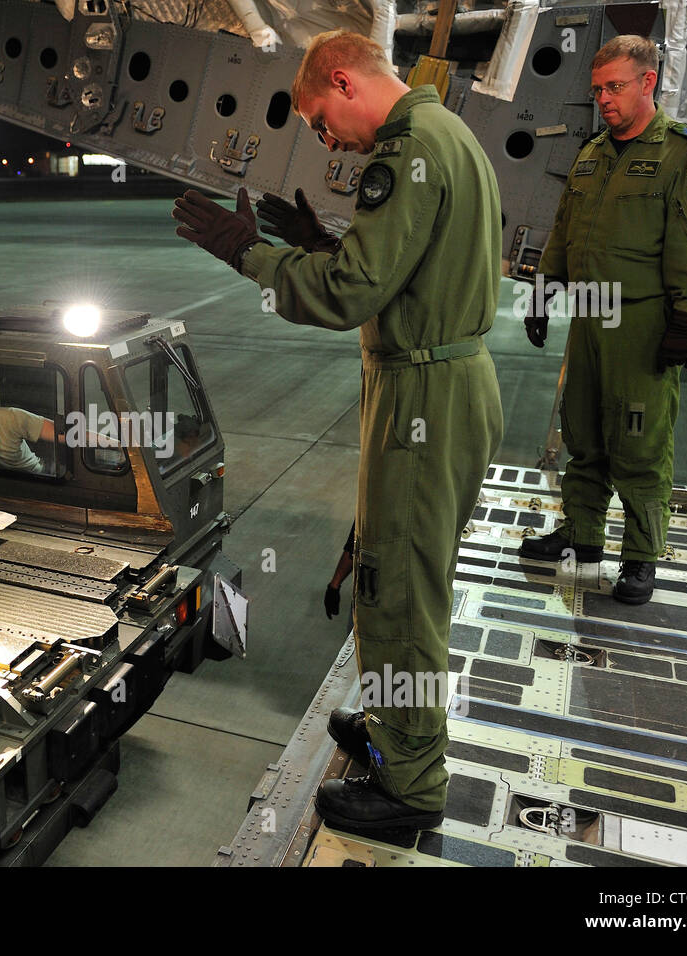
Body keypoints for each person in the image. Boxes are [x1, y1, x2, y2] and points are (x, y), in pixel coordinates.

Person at [172, 29, 504, 839]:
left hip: (424, 393)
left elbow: (353, 293)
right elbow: (411, 267)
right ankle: (400, 733)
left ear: (346, 82)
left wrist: (250, 254)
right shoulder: (448, 132)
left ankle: (412, 786)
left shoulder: (408, 148)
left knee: (399, 594)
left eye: (322, 122)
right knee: (406, 573)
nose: (326, 141)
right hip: (444, 381)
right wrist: (322, 241)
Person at [519, 35, 687, 605]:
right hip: (589, 316)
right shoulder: (593, 153)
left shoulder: (683, 155)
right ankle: (583, 536)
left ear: (647, 83)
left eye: (615, 87)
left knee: (639, 442)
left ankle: (639, 557)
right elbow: (565, 228)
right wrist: (545, 290)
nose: (604, 98)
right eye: (597, 89)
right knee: (583, 432)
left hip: (642, 323)